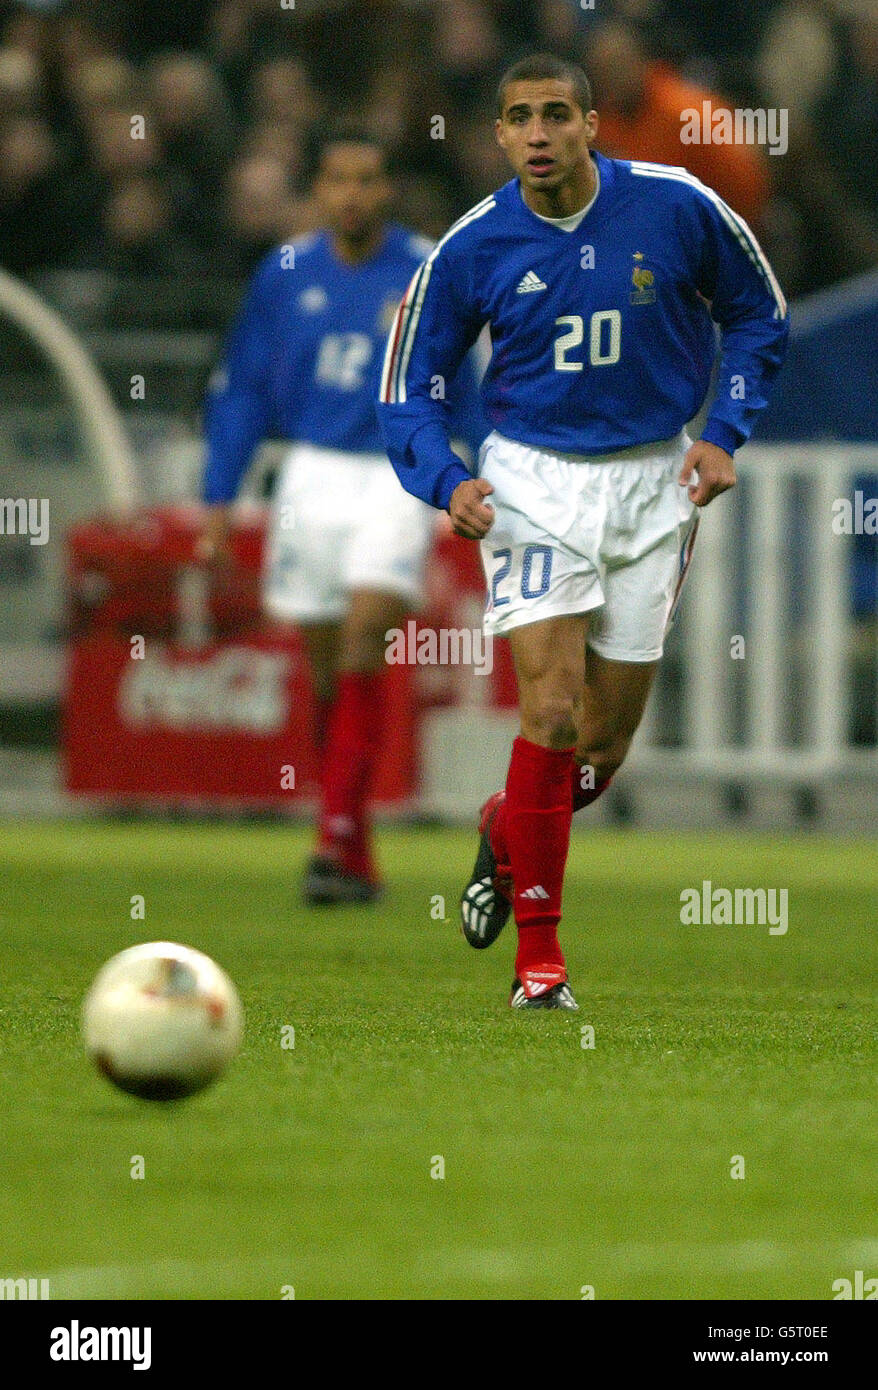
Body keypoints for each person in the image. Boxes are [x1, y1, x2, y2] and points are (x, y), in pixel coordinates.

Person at [377, 54, 788, 1009]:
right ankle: (540, 967)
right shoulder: (475, 245)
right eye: (518, 117)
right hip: (529, 483)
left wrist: (723, 436)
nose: (537, 134)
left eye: (556, 115)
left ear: (592, 126)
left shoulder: (677, 206)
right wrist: (447, 480)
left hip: (652, 481)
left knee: (597, 754)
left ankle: (504, 820)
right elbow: (408, 385)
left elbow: (760, 318)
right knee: (551, 712)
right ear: (498, 134)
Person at [200, 127, 486, 904]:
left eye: (367, 179)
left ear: (387, 188)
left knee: (366, 635)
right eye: (337, 179)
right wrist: (219, 499)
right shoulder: (285, 271)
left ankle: (330, 840)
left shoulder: (428, 265)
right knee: (325, 666)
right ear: (318, 190)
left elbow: (469, 386)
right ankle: (353, 846)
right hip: (309, 475)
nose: (352, 194)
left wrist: (474, 475)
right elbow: (243, 389)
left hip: (399, 470)